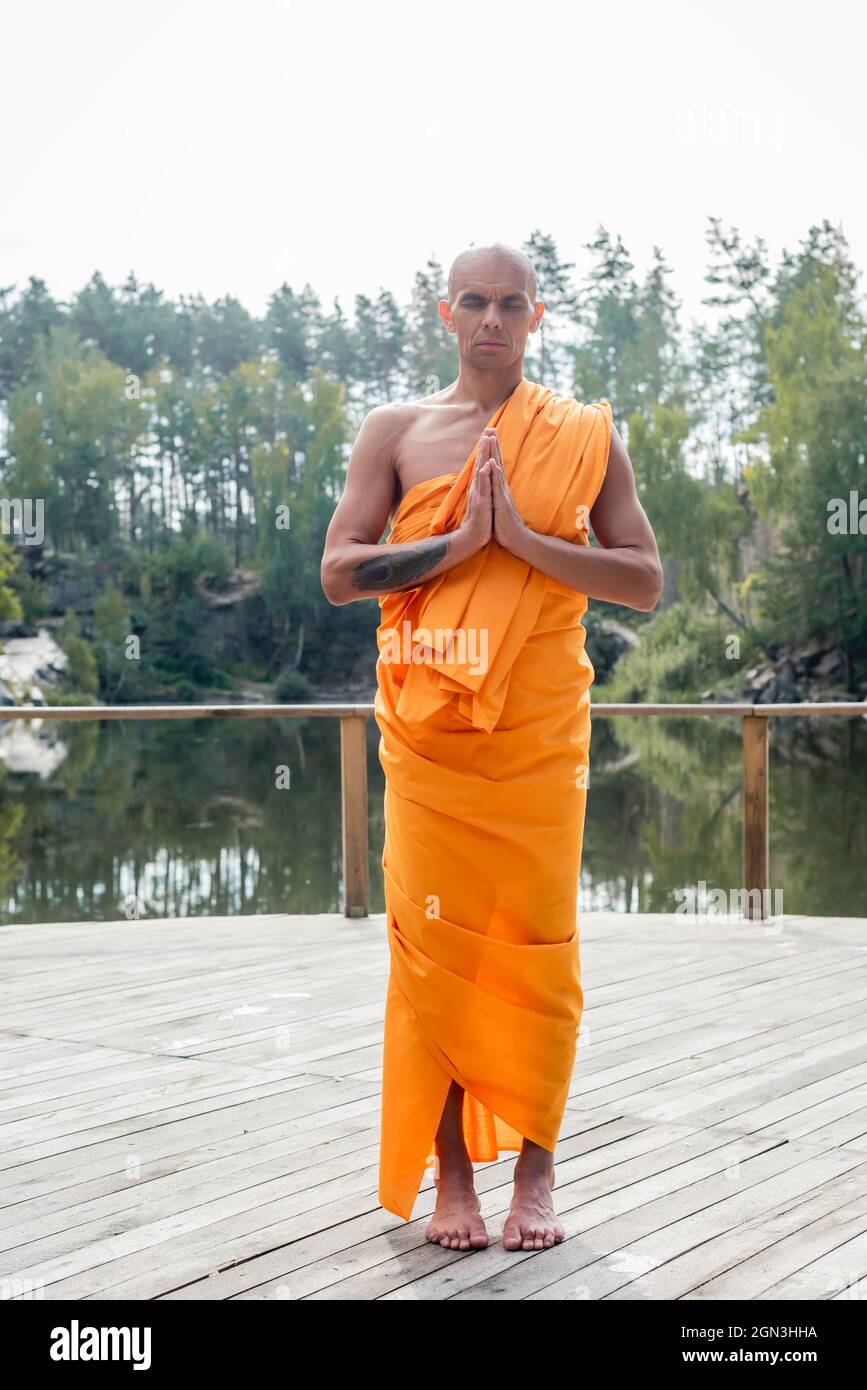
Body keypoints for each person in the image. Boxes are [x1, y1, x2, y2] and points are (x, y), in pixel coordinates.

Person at [321, 242, 662, 1253]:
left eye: (512, 304)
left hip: (538, 737)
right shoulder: (396, 431)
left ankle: (540, 1173)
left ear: (537, 315)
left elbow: (640, 578)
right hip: (431, 742)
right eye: (475, 301)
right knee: (431, 951)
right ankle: (456, 1179)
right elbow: (341, 572)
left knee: (538, 950)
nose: (492, 320)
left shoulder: (584, 435)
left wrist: (520, 539)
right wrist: (457, 546)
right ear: (444, 312)